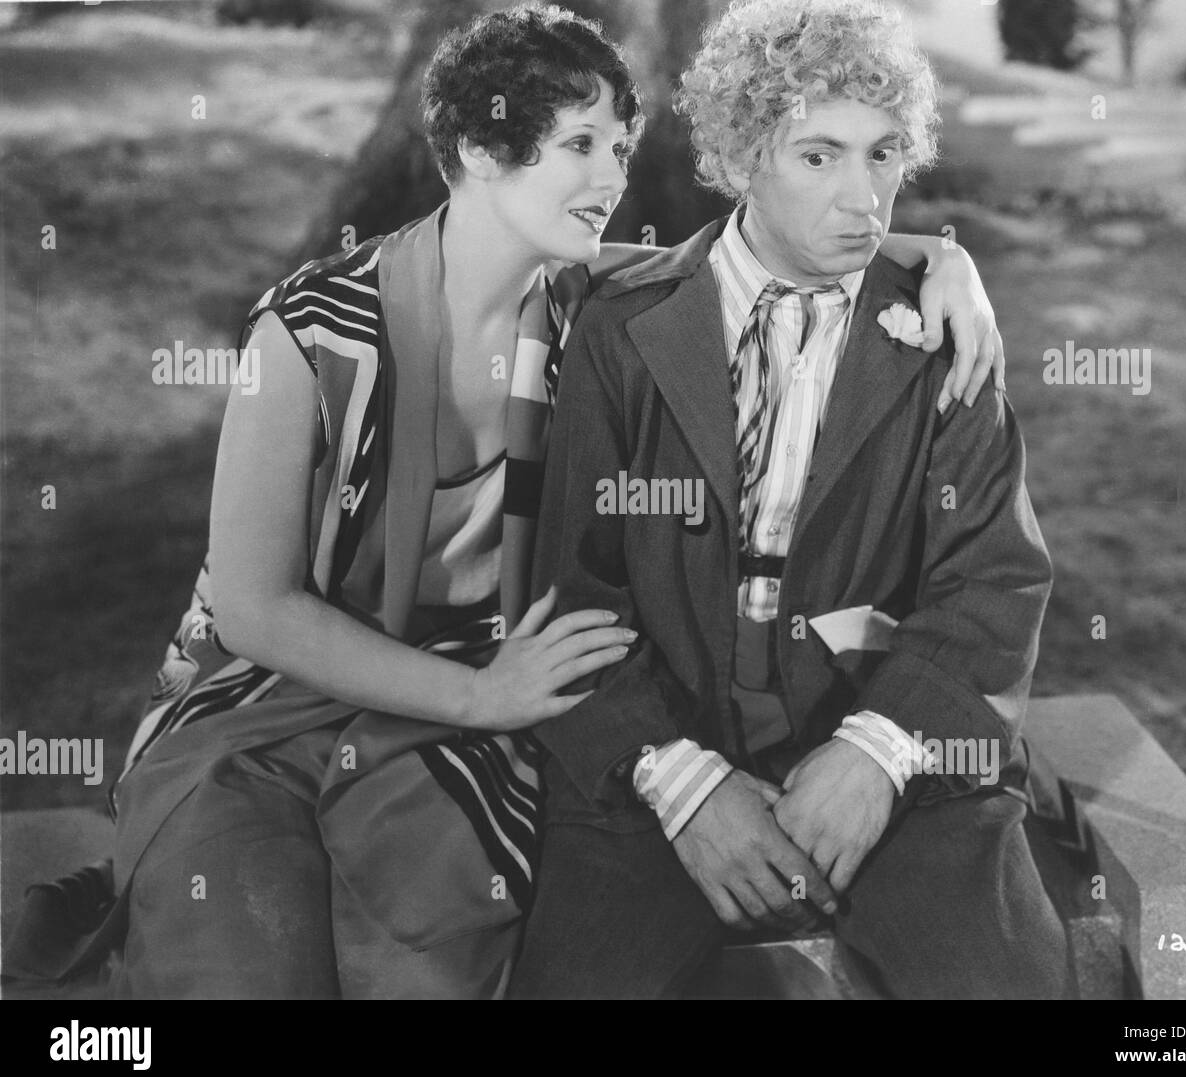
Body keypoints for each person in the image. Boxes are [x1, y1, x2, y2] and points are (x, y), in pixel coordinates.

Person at [45, 5, 1006, 1000]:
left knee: (423, 948)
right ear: (475, 149)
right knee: (244, 951)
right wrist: (482, 697)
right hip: (281, 700)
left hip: (465, 710)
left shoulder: (593, 304)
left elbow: (769, 255)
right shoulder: (307, 332)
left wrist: (943, 262)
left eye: (621, 147)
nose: (612, 180)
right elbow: (251, 607)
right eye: (578, 145)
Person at [510, 0, 1070, 1000]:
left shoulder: (943, 333)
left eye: (885, 154)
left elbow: (994, 580)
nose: (865, 199)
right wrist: (684, 783)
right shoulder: (623, 332)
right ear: (742, 154)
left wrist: (872, 754)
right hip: (658, 771)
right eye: (820, 157)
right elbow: (574, 589)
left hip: (903, 765)